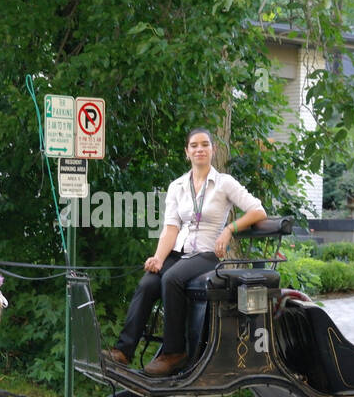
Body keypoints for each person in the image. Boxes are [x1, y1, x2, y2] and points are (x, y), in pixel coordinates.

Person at [105, 127, 267, 376]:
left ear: (213, 149)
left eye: (204, 144)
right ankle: (124, 351)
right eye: (194, 145)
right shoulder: (177, 186)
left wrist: (229, 230)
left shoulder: (224, 183)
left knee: (172, 279)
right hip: (179, 252)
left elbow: (258, 211)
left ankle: (174, 352)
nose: (199, 149)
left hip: (206, 253)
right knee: (149, 282)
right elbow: (171, 228)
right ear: (187, 152)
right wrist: (158, 258)